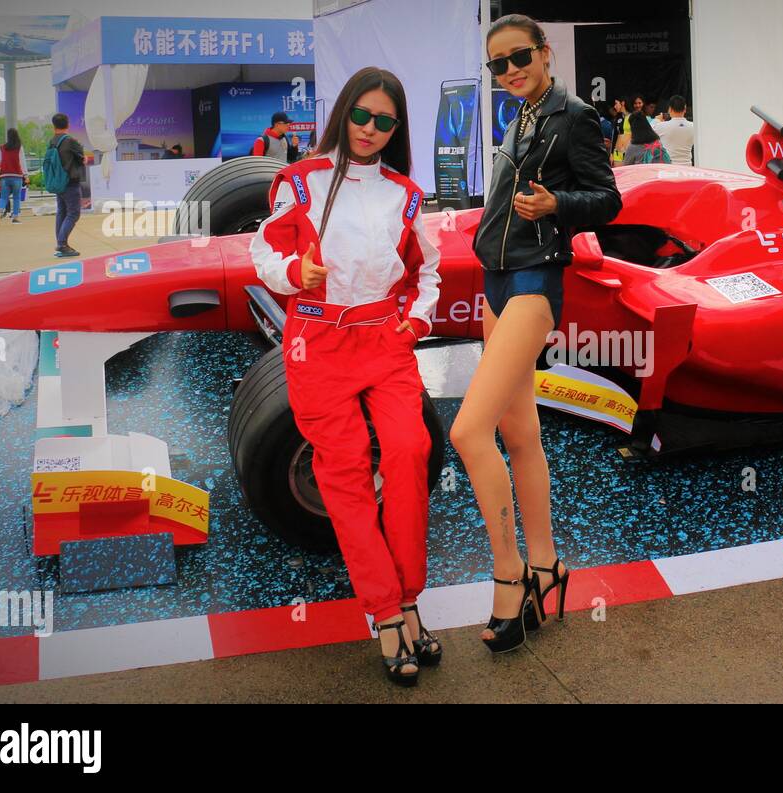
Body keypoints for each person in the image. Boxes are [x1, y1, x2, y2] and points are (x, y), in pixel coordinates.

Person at [250, 66, 442, 688]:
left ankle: (410, 595)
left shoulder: (405, 194)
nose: (370, 129)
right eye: (361, 115)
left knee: (411, 450)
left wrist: (414, 324)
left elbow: (426, 273)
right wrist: (291, 274)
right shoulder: (299, 182)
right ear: (343, 113)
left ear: (396, 127)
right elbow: (262, 252)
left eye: (384, 121)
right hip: (319, 340)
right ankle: (386, 610)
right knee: (347, 466)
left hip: (384, 338)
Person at [461, 14, 621, 654]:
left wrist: (558, 206)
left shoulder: (574, 115)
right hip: (495, 284)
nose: (509, 71)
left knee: (468, 431)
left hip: (533, 283)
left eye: (518, 57)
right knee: (517, 433)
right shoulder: (520, 117)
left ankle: (511, 579)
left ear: (545, 52)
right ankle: (550, 564)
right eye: (497, 65)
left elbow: (607, 199)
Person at [49, 113, 85, 258]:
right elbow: (82, 158)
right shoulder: (70, 141)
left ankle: (61, 242)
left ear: (54, 125)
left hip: (59, 183)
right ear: (67, 124)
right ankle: (62, 244)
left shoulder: (52, 141)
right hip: (71, 182)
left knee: (62, 212)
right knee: (73, 213)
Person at [0, 128, 26, 225]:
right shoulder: (19, 147)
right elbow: (22, 162)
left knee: (3, 197)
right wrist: (26, 175)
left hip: (4, 176)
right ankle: (15, 218)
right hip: (17, 176)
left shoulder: (2, 148)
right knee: (16, 197)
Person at [653, 94, 695, 166]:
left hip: (669, 168)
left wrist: (657, 119)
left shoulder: (661, 126)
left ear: (670, 109)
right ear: (685, 109)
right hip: (687, 167)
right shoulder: (694, 126)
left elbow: (648, 130)